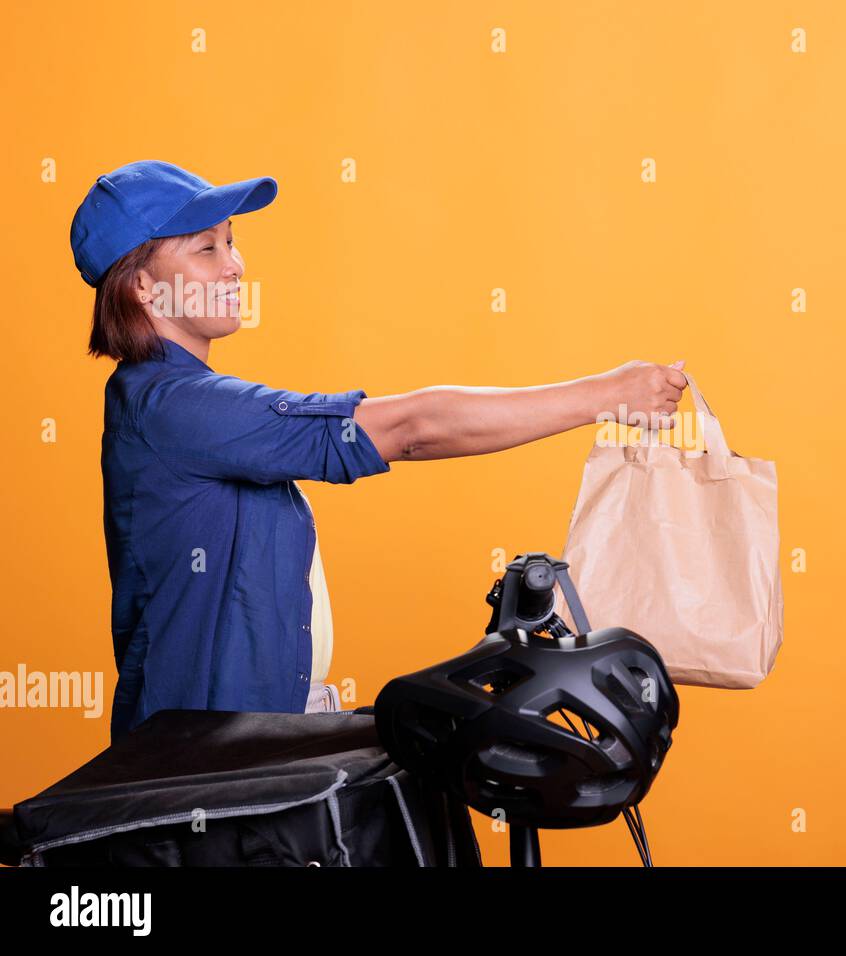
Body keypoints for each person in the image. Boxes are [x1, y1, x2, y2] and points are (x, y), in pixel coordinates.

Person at [71, 160, 688, 741]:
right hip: (200, 773)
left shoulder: (175, 401)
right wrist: (607, 395)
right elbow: (410, 427)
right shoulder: (174, 405)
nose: (236, 265)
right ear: (145, 287)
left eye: (231, 241)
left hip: (253, 746)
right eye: (207, 248)